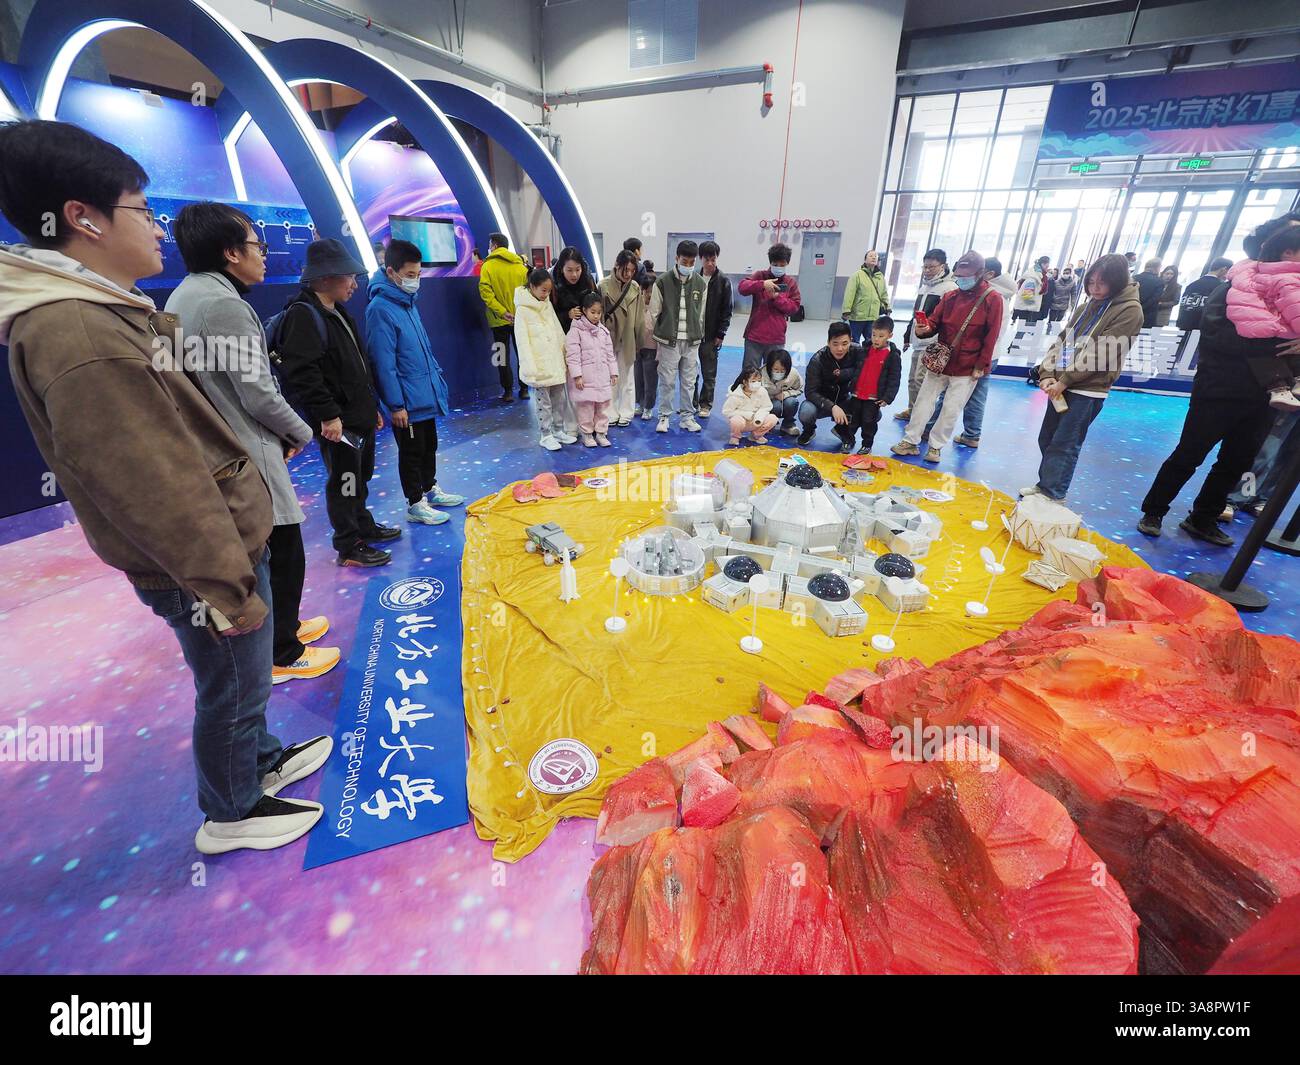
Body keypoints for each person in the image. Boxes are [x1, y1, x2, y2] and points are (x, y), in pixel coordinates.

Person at [0, 119, 329, 853]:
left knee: (244, 679)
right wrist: (222, 583)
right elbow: (146, 482)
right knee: (231, 679)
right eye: (141, 210)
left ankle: (258, 759)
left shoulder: (105, 308)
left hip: (221, 536)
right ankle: (232, 808)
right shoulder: (76, 331)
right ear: (82, 219)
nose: (157, 228)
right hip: (197, 561)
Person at [168, 202, 339, 687]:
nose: (264, 255)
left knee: (270, 548)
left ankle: (286, 628)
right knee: (281, 545)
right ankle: (283, 649)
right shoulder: (224, 305)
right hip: (246, 449)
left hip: (224, 449)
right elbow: (257, 392)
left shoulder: (185, 296)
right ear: (229, 252)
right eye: (256, 246)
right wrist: (302, 430)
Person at [1138, 215, 1300, 546]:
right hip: (1220, 389)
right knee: (1189, 453)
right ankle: (1154, 510)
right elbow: (1215, 337)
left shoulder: (1291, 294)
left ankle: (1204, 517)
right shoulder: (1236, 287)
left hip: (1264, 399)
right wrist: (1272, 342)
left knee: (1237, 462)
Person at [278, 239, 400, 568]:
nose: (354, 284)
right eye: (348, 276)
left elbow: (356, 365)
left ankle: (363, 524)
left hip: (357, 416)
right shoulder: (305, 315)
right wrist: (329, 416)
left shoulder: (336, 311)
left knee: (358, 479)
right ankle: (348, 544)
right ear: (325, 278)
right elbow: (304, 374)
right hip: (339, 424)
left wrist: (371, 405)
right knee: (344, 482)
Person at [1022, 253, 1143, 503]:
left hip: (1087, 388)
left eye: (1102, 283)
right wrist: (1047, 373)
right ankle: (1046, 485)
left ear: (1118, 282)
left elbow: (1101, 353)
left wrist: (1065, 380)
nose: (1094, 288)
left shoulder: (1130, 310)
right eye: (1091, 282)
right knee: (1047, 437)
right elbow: (1063, 340)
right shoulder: (1087, 306)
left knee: (1065, 443)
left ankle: (1053, 494)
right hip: (1060, 383)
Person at [366, 239, 466, 525]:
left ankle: (429, 488)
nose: (415, 281)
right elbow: (383, 363)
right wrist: (396, 404)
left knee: (428, 445)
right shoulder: (380, 309)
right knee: (410, 452)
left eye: (418, 275)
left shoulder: (407, 303)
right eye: (409, 275)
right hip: (405, 401)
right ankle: (415, 503)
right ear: (391, 273)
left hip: (424, 393)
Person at [892, 250, 1004, 464]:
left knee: (951, 408)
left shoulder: (993, 299)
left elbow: (992, 335)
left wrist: (981, 365)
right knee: (924, 399)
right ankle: (910, 440)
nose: (962, 279)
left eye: (966, 275)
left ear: (980, 273)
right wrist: (923, 329)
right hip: (940, 360)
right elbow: (934, 322)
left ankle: (935, 446)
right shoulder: (950, 296)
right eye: (959, 275)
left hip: (968, 365)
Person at [1226, 224, 1300, 411]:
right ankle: (1283, 386)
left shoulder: (1254, 274)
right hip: (1268, 338)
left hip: (1265, 335)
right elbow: (1295, 307)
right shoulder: (1287, 277)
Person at [954, 256, 1017, 449]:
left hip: (981, 355)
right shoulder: (996, 295)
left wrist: (980, 361)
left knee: (962, 394)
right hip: (986, 354)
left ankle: (967, 433)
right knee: (975, 395)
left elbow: (990, 334)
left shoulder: (993, 297)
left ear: (988, 273)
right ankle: (971, 434)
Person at [514, 267, 576, 451]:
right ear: (532, 287)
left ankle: (558, 430)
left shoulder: (546, 304)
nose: (546, 294)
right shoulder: (522, 311)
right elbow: (522, 341)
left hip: (554, 361)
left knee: (559, 399)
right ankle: (545, 434)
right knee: (543, 403)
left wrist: (565, 352)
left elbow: (557, 329)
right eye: (543, 290)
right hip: (539, 364)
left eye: (549, 291)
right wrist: (529, 366)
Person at [648, 239, 707, 433]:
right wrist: (657, 335)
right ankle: (664, 416)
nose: (688, 266)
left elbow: (701, 315)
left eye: (691, 262)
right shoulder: (662, 281)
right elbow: (654, 312)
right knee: (667, 380)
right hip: (668, 342)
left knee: (689, 381)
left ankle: (687, 417)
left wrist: (698, 336)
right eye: (684, 261)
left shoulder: (700, 283)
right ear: (676, 258)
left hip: (691, 341)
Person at [895, 247, 956, 422]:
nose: (927, 271)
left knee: (923, 382)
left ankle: (921, 417)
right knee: (912, 380)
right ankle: (912, 409)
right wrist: (908, 336)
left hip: (932, 343)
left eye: (931, 267)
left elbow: (947, 320)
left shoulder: (949, 289)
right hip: (917, 340)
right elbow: (916, 315)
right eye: (925, 267)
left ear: (942, 266)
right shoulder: (925, 287)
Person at [477, 231, 529, 402]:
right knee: (522, 353)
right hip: (519, 318)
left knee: (500, 355)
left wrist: (501, 311)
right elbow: (527, 292)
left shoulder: (487, 266)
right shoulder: (520, 266)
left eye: (490, 244)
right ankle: (524, 389)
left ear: (495, 245)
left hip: (498, 320)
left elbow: (485, 292)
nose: (489, 248)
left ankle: (507, 391)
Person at [738, 242, 802, 372]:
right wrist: (762, 284)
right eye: (775, 264)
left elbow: (794, 307)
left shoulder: (790, 283)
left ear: (787, 263)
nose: (778, 267)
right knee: (749, 375)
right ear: (770, 263)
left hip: (776, 339)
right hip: (754, 337)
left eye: (782, 264)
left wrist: (776, 298)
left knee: (773, 377)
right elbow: (742, 288)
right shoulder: (760, 276)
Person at [567, 291, 619, 447]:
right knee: (586, 408)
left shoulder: (604, 332)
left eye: (599, 312)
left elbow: (610, 354)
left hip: (602, 377)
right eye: (592, 312)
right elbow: (572, 356)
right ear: (584, 310)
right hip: (585, 379)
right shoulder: (576, 331)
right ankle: (587, 434)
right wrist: (577, 376)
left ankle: (601, 432)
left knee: (603, 407)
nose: (596, 316)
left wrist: (613, 372)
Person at [799, 321, 863, 450]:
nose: (840, 348)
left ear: (851, 340)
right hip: (821, 402)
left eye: (845, 343)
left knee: (871, 411)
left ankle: (843, 431)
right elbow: (810, 392)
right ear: (828, 342)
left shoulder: (858, 352)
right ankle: (809, 430)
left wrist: (844, 374)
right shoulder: (817, 360)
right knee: (806, 411)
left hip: (845, 399)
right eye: (835, 344)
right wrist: (832, 406)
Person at [597, 249, 644, 426]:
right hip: (610, 337)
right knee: (610, 377)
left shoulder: (635, 287)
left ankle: (626, 411)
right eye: (626, 270)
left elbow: (639, 317)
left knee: (628, 377)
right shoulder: (603, 286)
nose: (629, 274)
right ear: (616, 266)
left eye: (632, 270)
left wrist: (639, 341)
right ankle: (610, 412)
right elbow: (599, 315)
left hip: (628, 337)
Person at [845, 315, 901, 455]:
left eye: (881, 336)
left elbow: (894, 379)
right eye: (874, 334)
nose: (876, 339)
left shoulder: (892, 356)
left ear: (890, 335)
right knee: (852, 420)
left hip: (873, 398)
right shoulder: (865, 349)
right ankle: (848, 440)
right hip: (857, 394)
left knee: (868, 422)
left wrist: (888, 397)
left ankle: (867, 444)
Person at [694, 239, 733, 418]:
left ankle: (705, 405)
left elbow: (727, 309)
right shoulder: (693, 279)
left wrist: (721, 333)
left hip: (711, 335)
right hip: (692, 335)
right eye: (706, 259)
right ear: (700, 259)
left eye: (713, 259)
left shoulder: (723, 281)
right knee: (690, 373)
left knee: (709, 374)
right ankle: (691, 403)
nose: (710, 263)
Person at [842, 249, 891, 344]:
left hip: (873, 317)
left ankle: (867, 358)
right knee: (854, 340)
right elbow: (849, 293)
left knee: (871, 341)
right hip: (857, 316)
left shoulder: (880, 277)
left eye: (875, 256)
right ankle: (854, 358)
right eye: (871, 256)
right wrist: (846, 310)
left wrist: (888, 307)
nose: (874, 257)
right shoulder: (857, 275)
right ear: (865, 260)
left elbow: (884, 294)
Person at [722, 367, 779, 446]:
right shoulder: (736, 394)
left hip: (757, 421)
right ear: (745, 382)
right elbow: (727, 411)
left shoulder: (762, 391)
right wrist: (746, 414)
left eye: (759, 381)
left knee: (772, 418)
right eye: (753, 381)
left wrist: (759, 416)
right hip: (742, 422)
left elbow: (766, 407)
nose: (757, 383)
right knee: (736, 421)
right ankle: (736, 436)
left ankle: (756, 435)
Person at [1177, 257, 1233, 331]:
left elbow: (1184, 306)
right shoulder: (1220, 287)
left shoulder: (1191, 285)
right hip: (1204, 329)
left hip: (1184, 327)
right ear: (1224, 269)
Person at [551, 245, 597, 335]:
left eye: (577, 269)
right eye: (569, 270)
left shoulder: (588, 281)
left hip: (588, 335)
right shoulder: (553, 286)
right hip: (565, 336)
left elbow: (598, 304)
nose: (574, 275)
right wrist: (567, 315)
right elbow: (549, 315)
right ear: (561, 269)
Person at [633, 266, 658, 419]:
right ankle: (640, 404)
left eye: (651, 292)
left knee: (650, 381)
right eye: (645, 291)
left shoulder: (658, 310)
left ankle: (648, 407)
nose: (648, 295)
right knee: (638, 379)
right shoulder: (637, 307)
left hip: (652, 349)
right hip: (637, 349)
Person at [762, 347, 803, 435]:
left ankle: (788, 424)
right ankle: (769, 423)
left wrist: (786, 394)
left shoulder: (793, 373)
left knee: (792, 402)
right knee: (776, 406)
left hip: (785, 399)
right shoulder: (761, 373)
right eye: (776, 369)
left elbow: (800, 388)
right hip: (767, 402)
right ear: (769, 367)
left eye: (783, 370)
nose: (779, 372)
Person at [1009, 256, 1053, 337]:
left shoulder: (1037, 277)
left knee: (1023, 328)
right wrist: (1034, 303)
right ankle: (1014, 346)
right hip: (1026, 308)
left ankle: (1014, 346)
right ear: (1042, 264)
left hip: (1027, 307)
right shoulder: (1033, 278)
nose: (1047, 269)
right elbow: (1027, 295)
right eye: (1047, 266)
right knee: (1023, 328)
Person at [1133, 258, 1164, 328]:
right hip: (1148, 315)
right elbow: (1154, 299)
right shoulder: (1159, 281)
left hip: (1132, 312)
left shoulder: (1134, 278)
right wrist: (1142, 307)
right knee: (1143, 337)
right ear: (1157, 267)